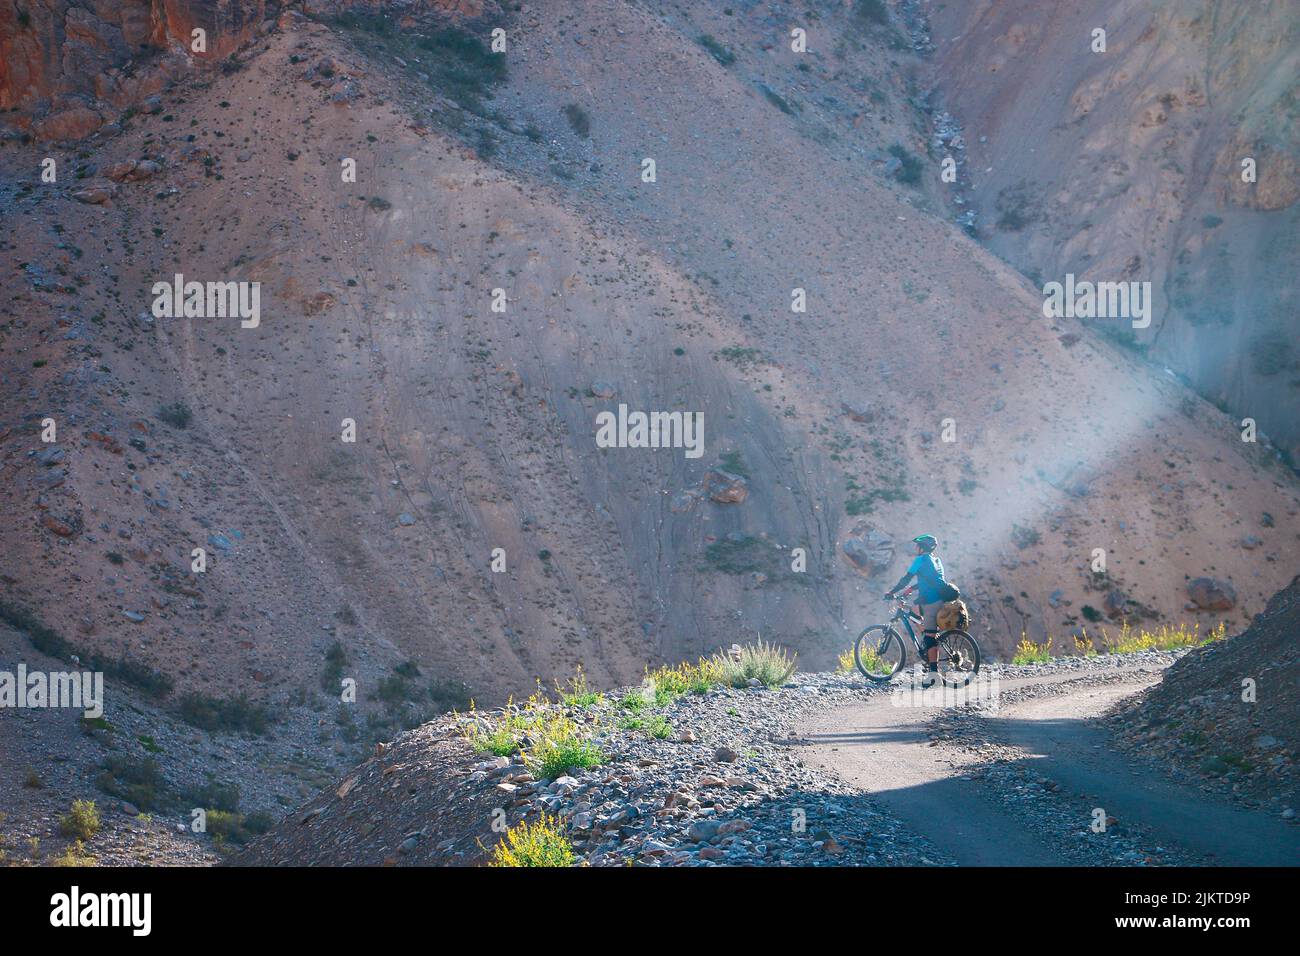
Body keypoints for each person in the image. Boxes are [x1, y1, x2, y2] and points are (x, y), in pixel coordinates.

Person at [883, 534, 947, 683]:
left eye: (917, 545)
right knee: (913, 611)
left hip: (931, 602)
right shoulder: (936, 561)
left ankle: (933, 676)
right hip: (936, 599)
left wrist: (892, 592)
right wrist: (911, 588)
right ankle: (927, 635)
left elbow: (905, 578)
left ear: (921, 547)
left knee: (930, 639)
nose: (915, 548)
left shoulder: (920, 560)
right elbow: (932, 580)